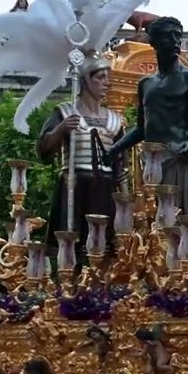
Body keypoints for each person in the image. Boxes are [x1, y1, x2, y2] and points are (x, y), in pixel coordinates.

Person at [108, 16, 188, 219]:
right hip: (151, 163)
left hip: (179, 157)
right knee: (149, 220)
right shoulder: (146, 84)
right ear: (154, 42)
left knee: (178, 223)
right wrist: (115, 148)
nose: (176, 42)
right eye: (169, 36)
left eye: (178, 36)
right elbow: (142, 129)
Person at [37, 52, 126, 246]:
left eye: (107, 78)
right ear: (86, 79)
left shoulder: (115, 120)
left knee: (104, 246)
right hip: (74, 187)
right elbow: (43, 150)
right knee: (70, 242)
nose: (107, 83)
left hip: (105, 189)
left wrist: (126, 202)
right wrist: (61, 129)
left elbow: (120, 164)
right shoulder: (65, 112)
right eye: (100, 77)